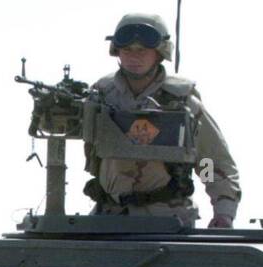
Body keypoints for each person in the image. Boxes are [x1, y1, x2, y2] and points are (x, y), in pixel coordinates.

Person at [84, 12, 241, 228]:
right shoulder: (101, 96)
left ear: (159, 53)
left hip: (167, 220)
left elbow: (208, 161)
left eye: (142, 50)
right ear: (116, 51)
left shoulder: (182, 102)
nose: (134, 56)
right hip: (108, 218)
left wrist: (223, 211)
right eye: (127, 50)